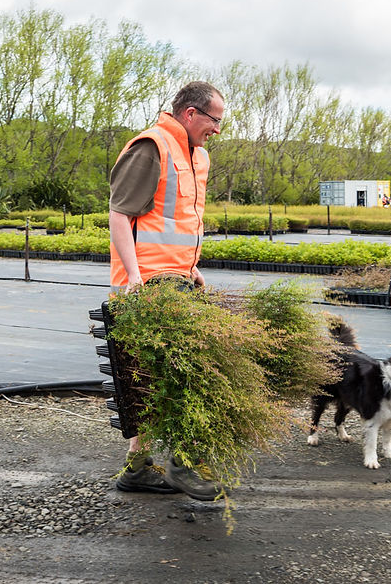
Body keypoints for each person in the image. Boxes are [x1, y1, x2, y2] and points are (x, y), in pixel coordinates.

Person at [108, 81, 225, 500]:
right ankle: (180, 464)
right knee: (181, 375)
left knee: (150, 378)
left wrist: (192, 267)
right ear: (191, 113)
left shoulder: (199, 156)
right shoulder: (151, 147)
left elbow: (181, 220)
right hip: (148, 285)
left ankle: (137, 469)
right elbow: (120, 215)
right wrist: (134, 277)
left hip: (178, 280)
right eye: (214, 121)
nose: (217, 130)